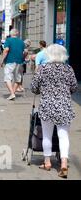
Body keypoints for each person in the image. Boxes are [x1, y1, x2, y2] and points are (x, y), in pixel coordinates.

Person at [31, 44, 78, 178]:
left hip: (47, 106)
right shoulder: (68, 69)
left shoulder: (43, 69)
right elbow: (74, 87)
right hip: (64, 106)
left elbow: (34, 88)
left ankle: (47, 162)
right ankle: (63, 163)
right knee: (63, 135)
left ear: (49, 55)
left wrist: (43, 90)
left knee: (46, 134)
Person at [1, 29, 25, 101]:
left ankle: (12, 93)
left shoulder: (8, 40)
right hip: (19, 62)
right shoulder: (21, 41)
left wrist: (2, 60)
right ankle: (13, 93)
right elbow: (25, 52)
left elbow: (6, 50)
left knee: (7, 78)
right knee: (18, 78)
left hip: (10, 61)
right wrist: (23, 58)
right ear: (17, 34)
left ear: (10, 34)